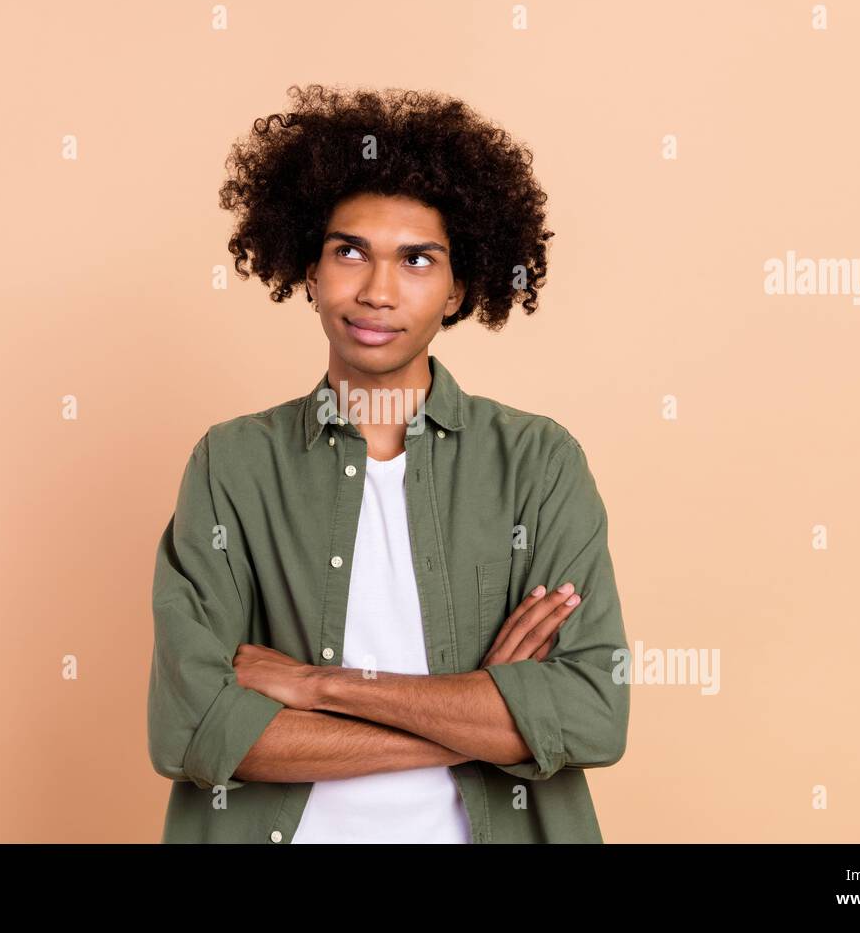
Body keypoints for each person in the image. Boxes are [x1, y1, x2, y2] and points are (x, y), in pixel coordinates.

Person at [148, 84, 629, 843]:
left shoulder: (539, 465)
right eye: (350, 252)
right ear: (309, 273)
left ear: (458, 289)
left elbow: (592, 715)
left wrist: (319, 686)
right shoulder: (232, 465)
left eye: (416, 259)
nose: (377, 291)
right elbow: (193, 728)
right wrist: (486, 713)